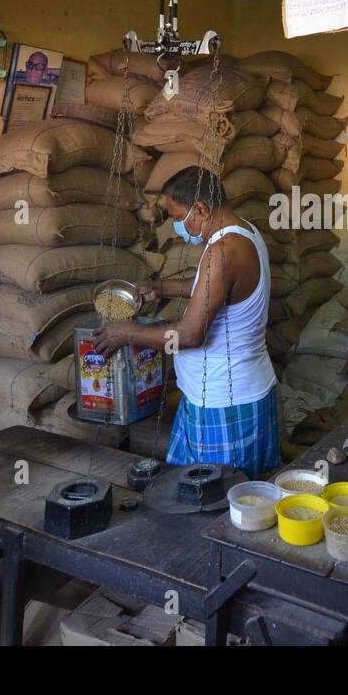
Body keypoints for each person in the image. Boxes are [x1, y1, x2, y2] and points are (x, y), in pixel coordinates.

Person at [93, 166, 280, 476]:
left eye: (178, 218)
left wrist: (128, 333)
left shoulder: (223, 250)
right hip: (227, 394)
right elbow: (215, 286)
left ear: (202, 209)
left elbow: (191, 335)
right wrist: (163, 287)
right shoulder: (244, 231)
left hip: (225, 404)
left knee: (214, 505)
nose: (177, 227)